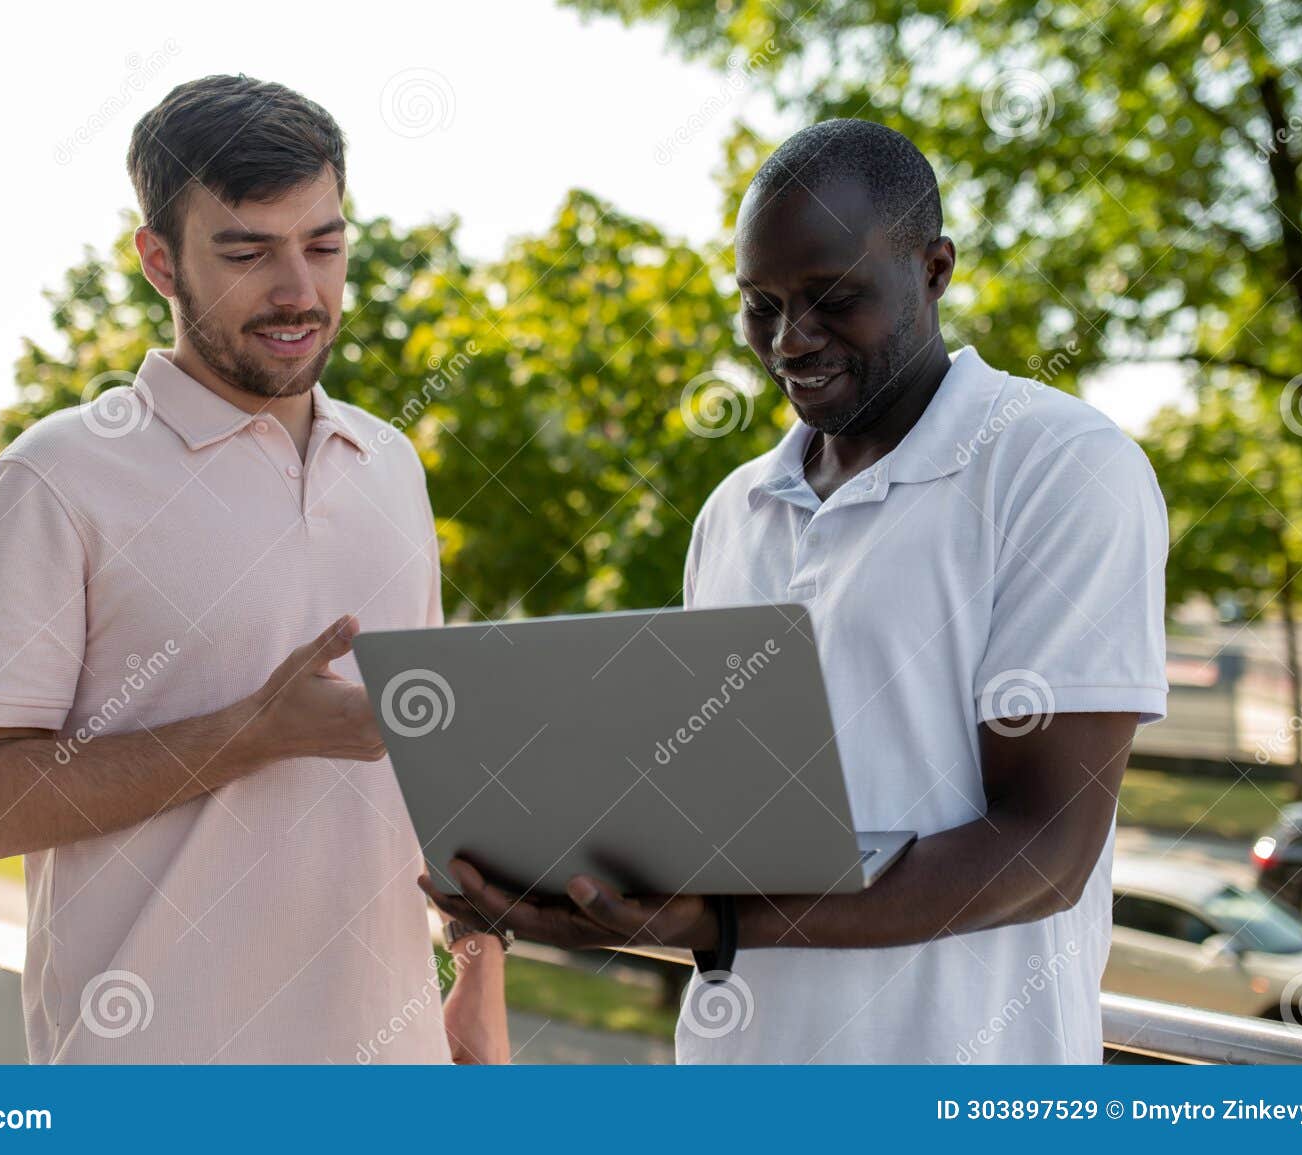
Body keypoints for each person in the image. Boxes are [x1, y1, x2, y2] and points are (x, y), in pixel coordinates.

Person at [423, 119, 1168, 1064]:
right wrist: (546, 872)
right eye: (759, 304)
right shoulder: (734, 509)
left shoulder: (1059, 467)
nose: (789, 339)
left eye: (833, 298)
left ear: (934, 270)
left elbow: (1043, 852)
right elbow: (709, 824)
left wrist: (726, 922)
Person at [0, 74, 508, 1064]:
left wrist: (476, 986)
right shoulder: (58, 477)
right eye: (247, 253)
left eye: (324, 246)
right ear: (159, 260)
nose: (298, 292)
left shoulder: (392, 466)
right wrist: (248, 736)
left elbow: (421, 767)